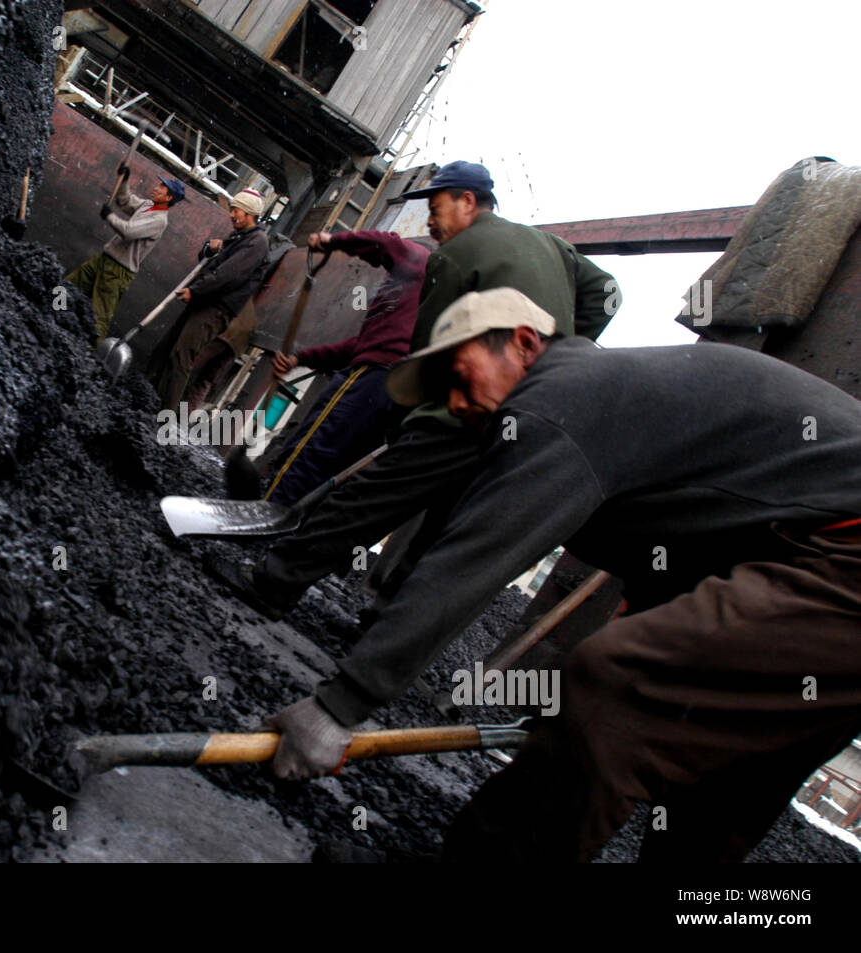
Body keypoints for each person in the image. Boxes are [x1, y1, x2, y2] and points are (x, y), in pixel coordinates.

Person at [262, 287, 861, 862]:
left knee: (616, 685)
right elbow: (694, 550)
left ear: (523, 343)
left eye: (459, 373)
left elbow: (471, 560)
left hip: (844, 559)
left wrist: (339, 706)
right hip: (816, 566)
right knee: (719, 774)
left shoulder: (560, 403)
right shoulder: (618, 398)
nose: (455, 402)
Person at [205, 161, 618, 620]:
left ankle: (274, 582)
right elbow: (606, 290)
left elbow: (427, 352)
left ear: (467, 201)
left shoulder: (455, 257)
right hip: (526, 418)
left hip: (458, 412)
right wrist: (550, 348)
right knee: (441, 529)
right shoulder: (552, 247)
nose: (430, 223)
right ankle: (381, 628)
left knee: (369, 497)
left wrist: (404, 423)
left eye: (437, 208)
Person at [252, 228, 429, 507]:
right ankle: (290, 530)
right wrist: (302, 358)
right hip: (395, 391)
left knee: (310, 449)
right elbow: (360, 344)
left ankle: (267, 510)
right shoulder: (407, 309)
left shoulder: (418, 259)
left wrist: (331, 241)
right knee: (336, 464)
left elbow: (384, 243)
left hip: (372, 377)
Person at [156, 189, 270, 412]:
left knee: (182, 356)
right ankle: (150, 396)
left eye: (236, 210)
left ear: (249, 213)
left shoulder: (257, 243)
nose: (232, 215)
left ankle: (163, 415)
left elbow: (228, 274)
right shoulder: (240, 238)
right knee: (167, 349)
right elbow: (212, 263)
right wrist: (214, 247)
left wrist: (196, 291)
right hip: (205, 302)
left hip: (216, 308)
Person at [66, 168, 185, 342]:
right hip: (105, 259)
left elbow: (128, 232)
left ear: (169, 198)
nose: (156, 188)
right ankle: (52, 310)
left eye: (162, 188)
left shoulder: (159, 221)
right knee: (67, 285)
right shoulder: (147, 205)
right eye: (159, 184)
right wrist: (124, 180)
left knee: (99, 316)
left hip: (118, 271)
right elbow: (125, 200)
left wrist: (109, 216)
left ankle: (88, 350)